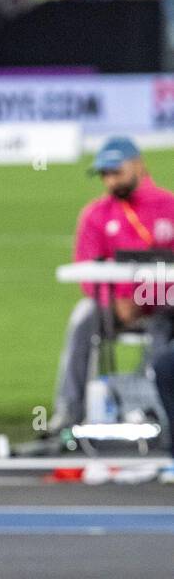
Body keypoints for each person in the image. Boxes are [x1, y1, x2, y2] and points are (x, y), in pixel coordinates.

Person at [49, 136, 174, 434]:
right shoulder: (96, 214)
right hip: (115, 306)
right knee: (82, 317)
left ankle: (161, 413)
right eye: (104, 174)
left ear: (139, 166)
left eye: (116, 171)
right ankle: (69, 410)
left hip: (164, 304)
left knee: (163, 332)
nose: (110, 180)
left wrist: (149, 299)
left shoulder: (169, 206)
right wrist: (117, 300)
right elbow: (86, 269)